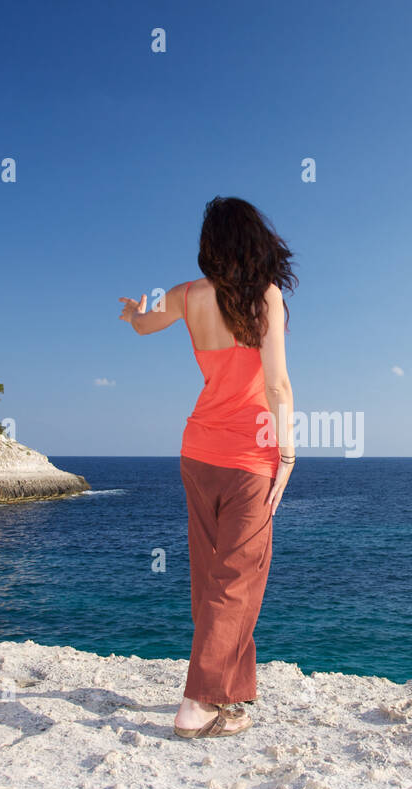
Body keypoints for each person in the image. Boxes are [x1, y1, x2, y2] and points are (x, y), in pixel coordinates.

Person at [118, 197, 297, 739]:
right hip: (249, 457)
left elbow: (146, 327)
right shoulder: (266, 297)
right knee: (239, 579)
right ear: (256, 241)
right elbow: (277, 385)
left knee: (212, 576)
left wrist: (132, 313)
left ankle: (227, 697)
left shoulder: (188, 296)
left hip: (197, 452)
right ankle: (197, 704)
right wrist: (287, 453)